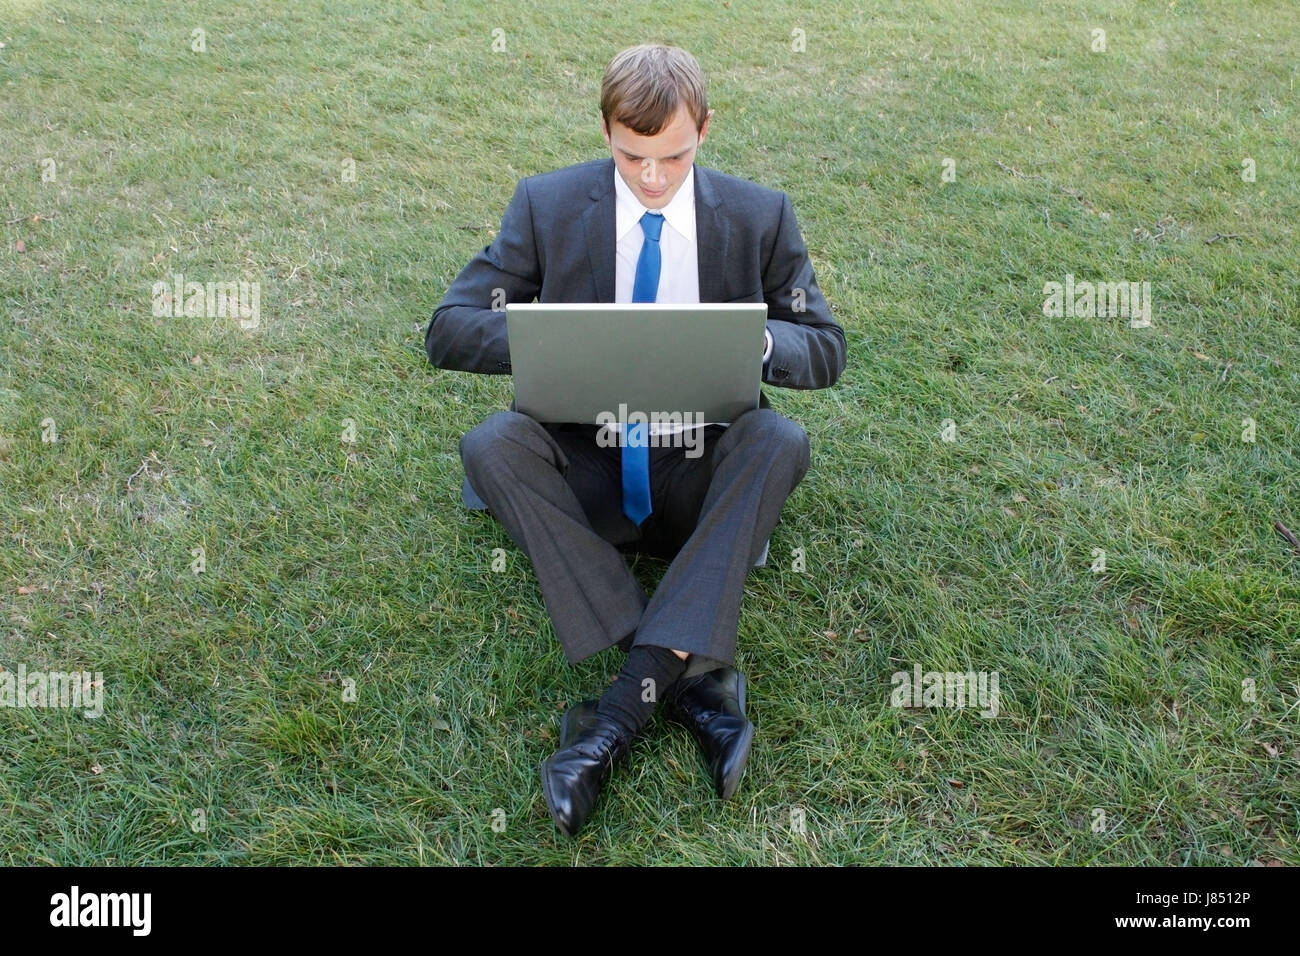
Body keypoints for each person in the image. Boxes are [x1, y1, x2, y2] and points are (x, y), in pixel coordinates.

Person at [425, 43, 846, 837]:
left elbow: (825, 346)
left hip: (698, 474)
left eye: (674, 156)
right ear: (605, 132)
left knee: (779, 440)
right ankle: (689, 680)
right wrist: (555, 339)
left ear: (706, 130)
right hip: (588, 469)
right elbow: (447, 330)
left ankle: (617, 716)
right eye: (630, 156)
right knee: (491, 446)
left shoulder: (759, 216)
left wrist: (754, 345)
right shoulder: (548, 206)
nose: (652, 177)